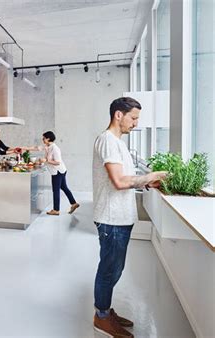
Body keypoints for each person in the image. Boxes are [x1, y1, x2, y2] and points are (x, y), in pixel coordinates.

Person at [92, 97, 167, 338]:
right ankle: (101, 317)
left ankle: (105, 309)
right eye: (133, 118)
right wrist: (149, 176)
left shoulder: (119, 143)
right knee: (108, 270)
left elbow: (125, 179)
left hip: (120, 217)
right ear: (118, 115)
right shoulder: (107, 141)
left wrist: (146, 182)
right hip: (111, 218)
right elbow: (119, 181)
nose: (135, 123)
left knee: (116, 268)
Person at [39, 131, 79, 216]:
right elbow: (40, 149)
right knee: (64, 187)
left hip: (57, 172)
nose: (42, 140)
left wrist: (46, 160)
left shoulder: (55, 148)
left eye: (44, 138)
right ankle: (74, 203)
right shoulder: (49, 147)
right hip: (60, 171)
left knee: (56, 190)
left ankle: (56, 210)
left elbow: (57, 162)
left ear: (48, 138)